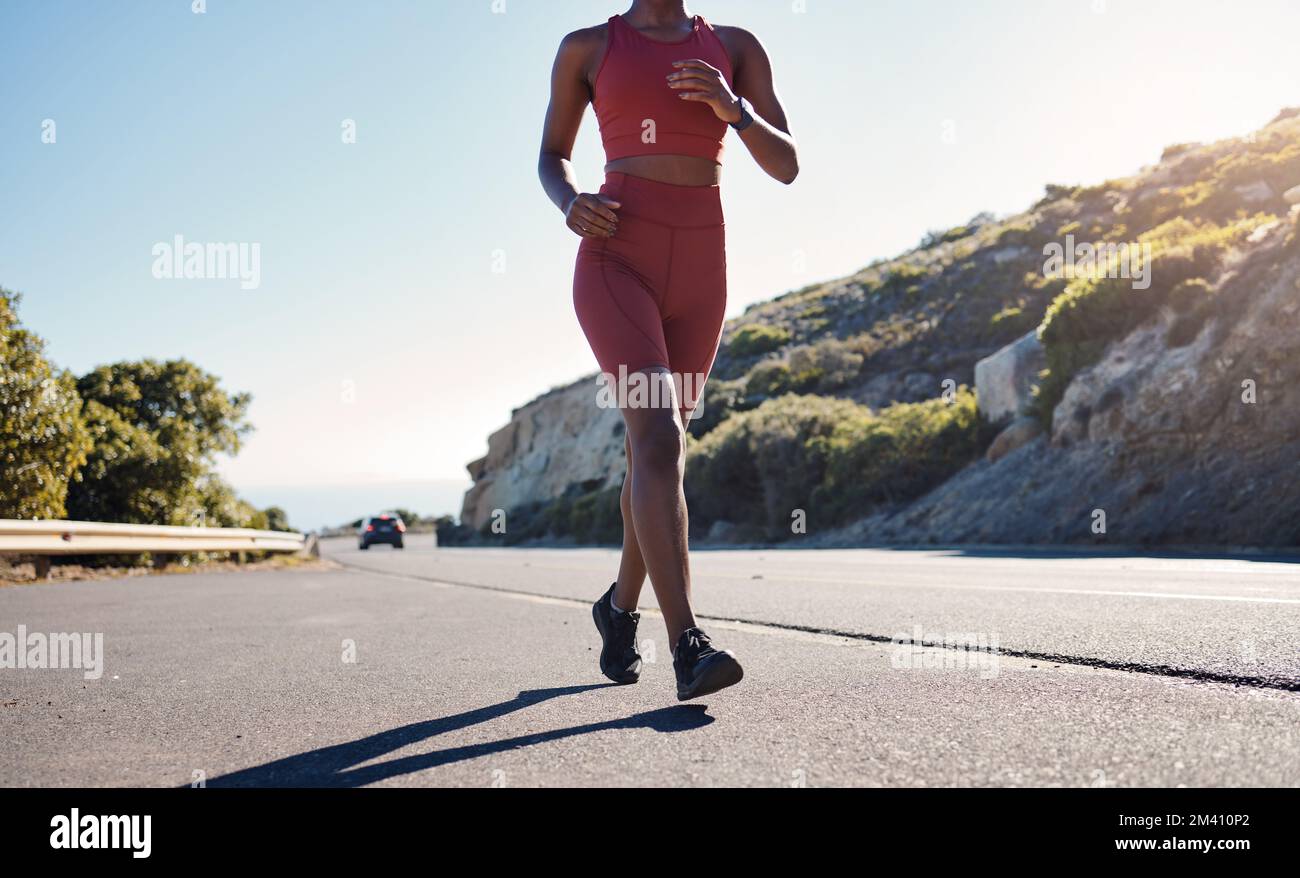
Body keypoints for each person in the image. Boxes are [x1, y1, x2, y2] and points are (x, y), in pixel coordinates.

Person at [538, 1, 798, 700]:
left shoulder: (735, 46)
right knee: (656, 436)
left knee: (658, 451)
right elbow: (550, 155)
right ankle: (688, 643)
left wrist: (732, 107)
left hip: (702, 265)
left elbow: (787, 164)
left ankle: (618, 611)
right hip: (616, 253)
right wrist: (567, 201)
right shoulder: (588, 47)